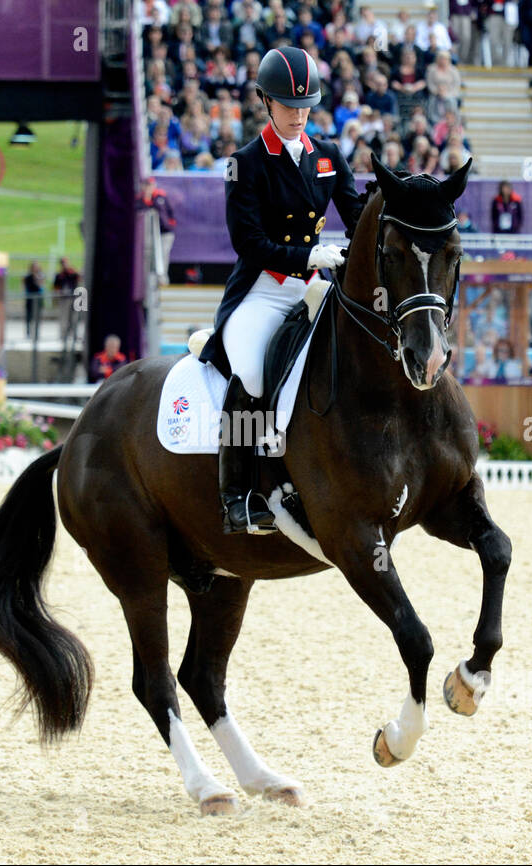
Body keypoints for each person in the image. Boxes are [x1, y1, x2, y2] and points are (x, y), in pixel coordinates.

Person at [198, 46, 365, 535]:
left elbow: (357, 217)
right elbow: (247, 242)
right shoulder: (245, 164)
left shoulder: (329, 158)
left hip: (312, 289)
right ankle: (237, 496)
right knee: (251, 375)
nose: (299, 115)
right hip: (261, 291)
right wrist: (307, 256)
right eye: (288, 106)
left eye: (306, 106)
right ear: (265, 103)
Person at [140, 178, 177, 284]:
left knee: (163, 254)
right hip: (149, 233)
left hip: (165, 232)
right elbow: (142, 209)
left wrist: (171, 224)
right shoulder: (141, 198)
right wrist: (146, 198)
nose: (148, 188)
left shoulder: (160, 196)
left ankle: (162, 278)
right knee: (148, 254)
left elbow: (169, 211)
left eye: (150, 185)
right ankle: (147, 279)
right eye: (146, 185)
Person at [52, 257, 81, 348]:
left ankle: (74, 335)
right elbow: (56, 287)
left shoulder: (72, 273)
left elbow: (78, 278)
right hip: (64, 299)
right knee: (64, 318)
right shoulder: (59, 275)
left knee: (74, 318)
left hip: (74, 298)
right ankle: (63, 336)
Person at [23, 262, 44, 337]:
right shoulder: (28, 277)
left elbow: (41, 286)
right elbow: (25, 287)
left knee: (37, 317)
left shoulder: (40, 276)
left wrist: (37, 278)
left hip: (38, 300)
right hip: (30, 300)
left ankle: (36, 332)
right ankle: (28, 333)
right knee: (29, 317)